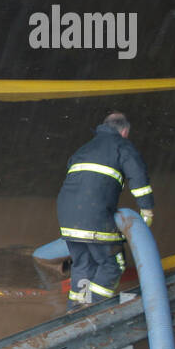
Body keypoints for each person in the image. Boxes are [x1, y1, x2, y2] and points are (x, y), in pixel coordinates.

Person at [56, 111, 154, 308]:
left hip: (66, 215)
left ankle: (75, 309)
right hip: (94, 214)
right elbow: (139, 179)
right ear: (125, 131)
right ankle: (93, 308)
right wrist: (147, 211)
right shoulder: (122, 146)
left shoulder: (84, 148)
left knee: (83, 264)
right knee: (112, 264)